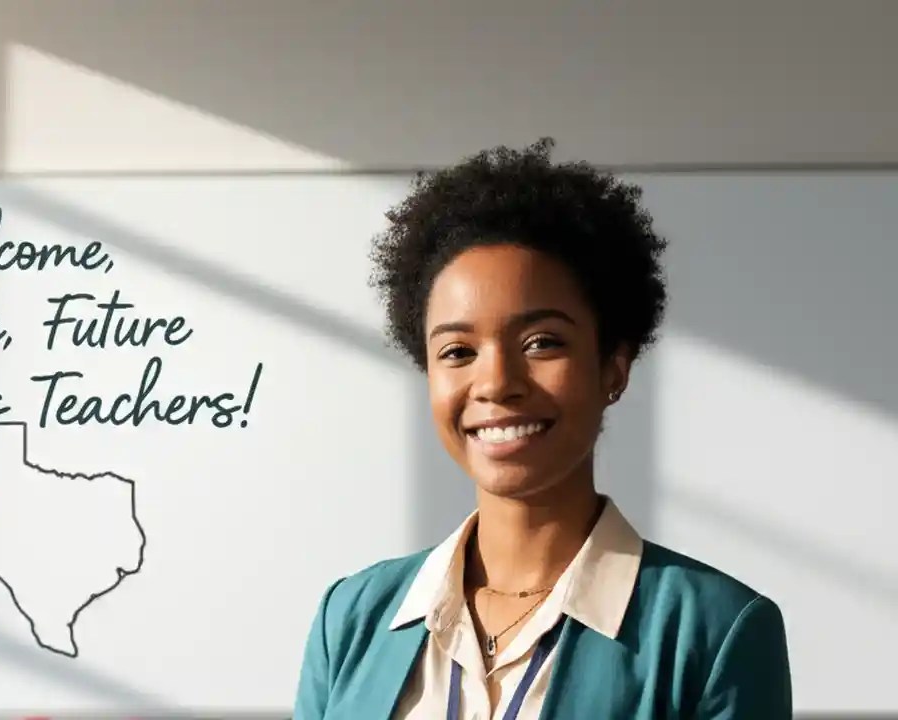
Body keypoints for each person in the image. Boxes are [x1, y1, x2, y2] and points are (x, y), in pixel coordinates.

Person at [293, 138, 792, 719]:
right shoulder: (351, 618)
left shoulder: (715, 632)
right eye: (457, 351)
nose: (496, 382)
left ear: (614, 367)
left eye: (542, 342)